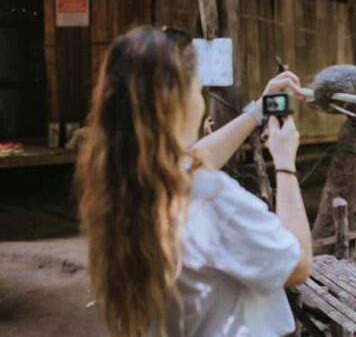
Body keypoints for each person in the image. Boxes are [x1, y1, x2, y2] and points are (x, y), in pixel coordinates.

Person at [76, 26, 313, 336]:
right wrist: (284, 164)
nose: (201, 102)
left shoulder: (126, 182)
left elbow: (197, 156)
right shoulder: (213, 197)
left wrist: (258, 110)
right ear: (179, 100)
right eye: (197, 88)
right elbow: (298, 264)